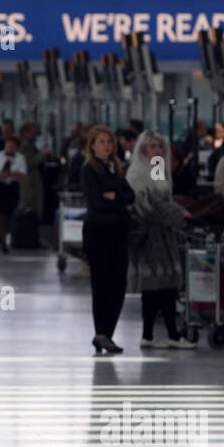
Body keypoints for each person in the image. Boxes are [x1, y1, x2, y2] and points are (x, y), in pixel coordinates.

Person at [126, 131, 194, 349]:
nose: (157, 150)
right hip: (150, 236)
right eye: (152, 146)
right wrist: (177, 214)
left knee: (160, 286)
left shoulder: (157, 168)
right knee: (159, 285)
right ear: (143, 149)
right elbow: (148, 205)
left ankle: (152, 335)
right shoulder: (138, 172)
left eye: (160, 146)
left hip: (161, 234)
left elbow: (162, 197)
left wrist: (173, 210)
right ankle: (170, 335)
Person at [80, 124, 135, 354]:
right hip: (98, 231)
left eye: (109, 141)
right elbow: (97, 203)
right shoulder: (89, 170)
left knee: (118, 283)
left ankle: (108, 333)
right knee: (102, 283)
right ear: (92, 146)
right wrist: (115, 198)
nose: (106, 146)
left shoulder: (116, 168)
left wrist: (115, 196)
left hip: (119, 231)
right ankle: (101, 333)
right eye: (101, 141)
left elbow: (130, 195)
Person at [0, 135, 27, 252]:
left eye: (13, 146)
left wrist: (9, 174)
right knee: (1, 215)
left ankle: (10, 236)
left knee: (10, 213)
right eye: (8, 145)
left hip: (12, 187)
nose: (10, 147)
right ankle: (2, 240)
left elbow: (22, 174)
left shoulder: (20, 158)